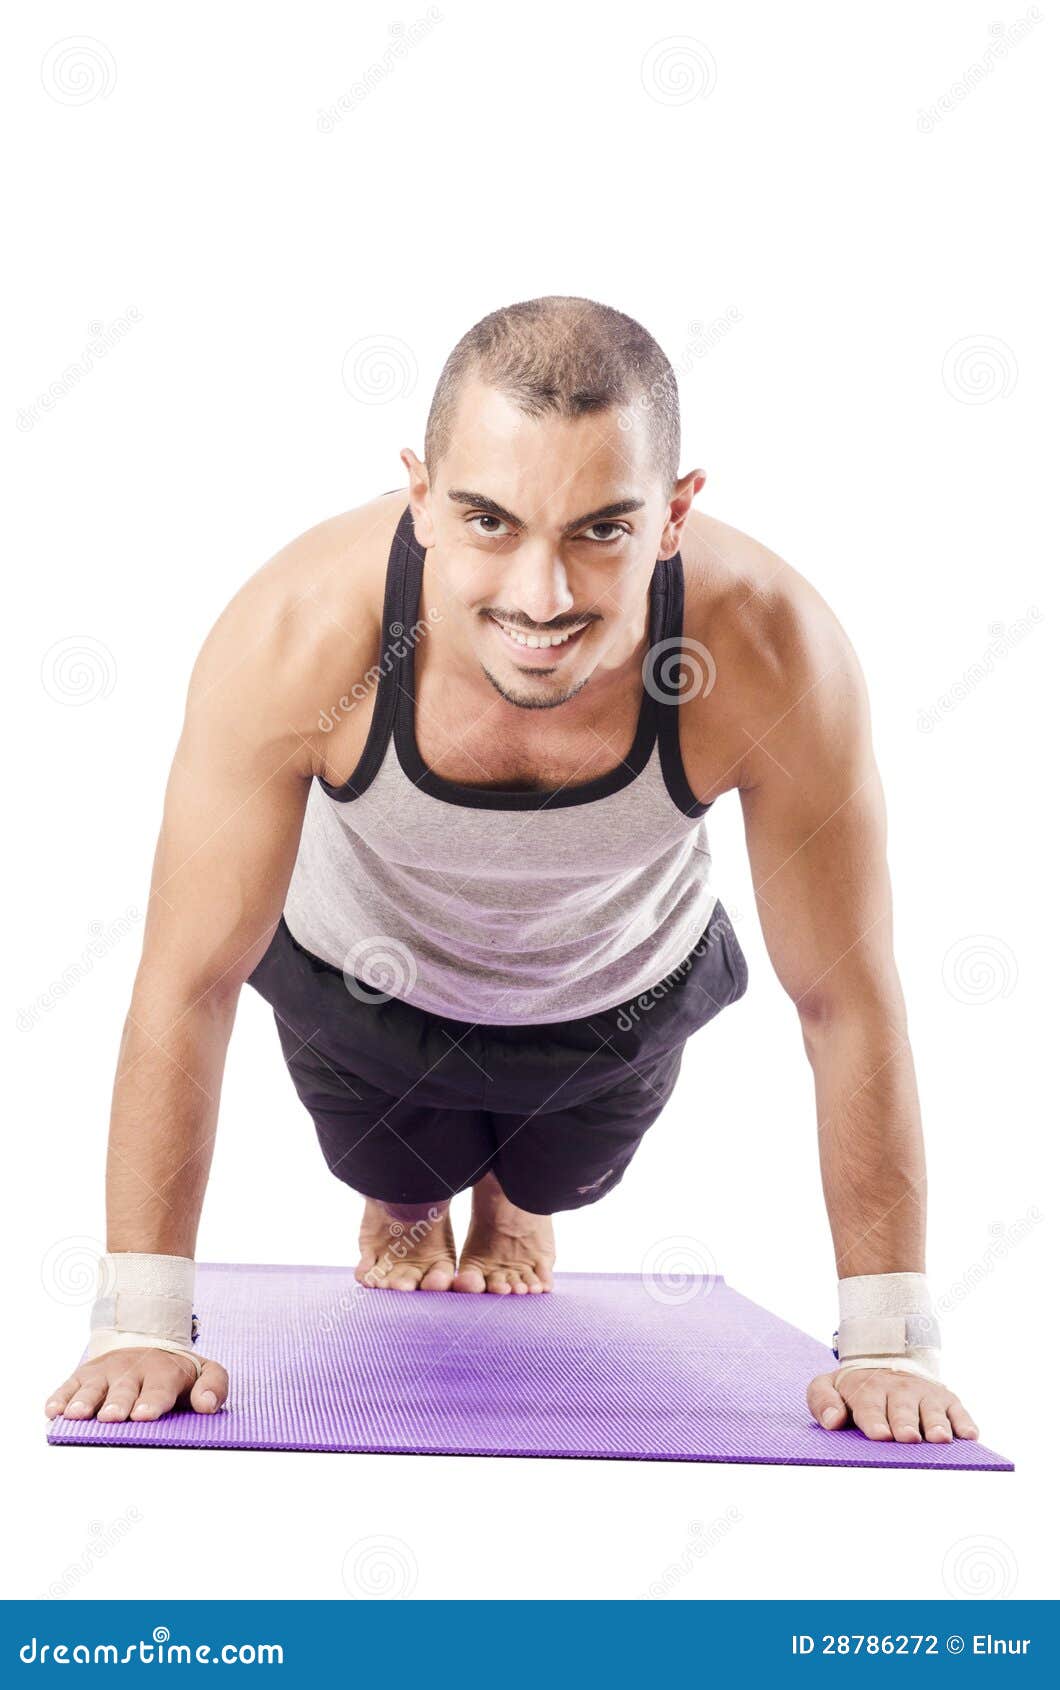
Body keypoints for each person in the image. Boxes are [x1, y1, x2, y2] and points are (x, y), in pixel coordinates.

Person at [44, 297, 978, 1448]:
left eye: (601, 530)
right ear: (419, 496)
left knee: (561, 1180)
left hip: (613, 999)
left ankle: (518, 1205)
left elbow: (847, 997)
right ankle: (408, 1199)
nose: (542, 597)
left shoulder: (772, 650)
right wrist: (139, 1320)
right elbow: (185, 977)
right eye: (488, 520)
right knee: (395, 1166)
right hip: (362, 989)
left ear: (676, 516)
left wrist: (891, 1340)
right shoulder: (296, 631)